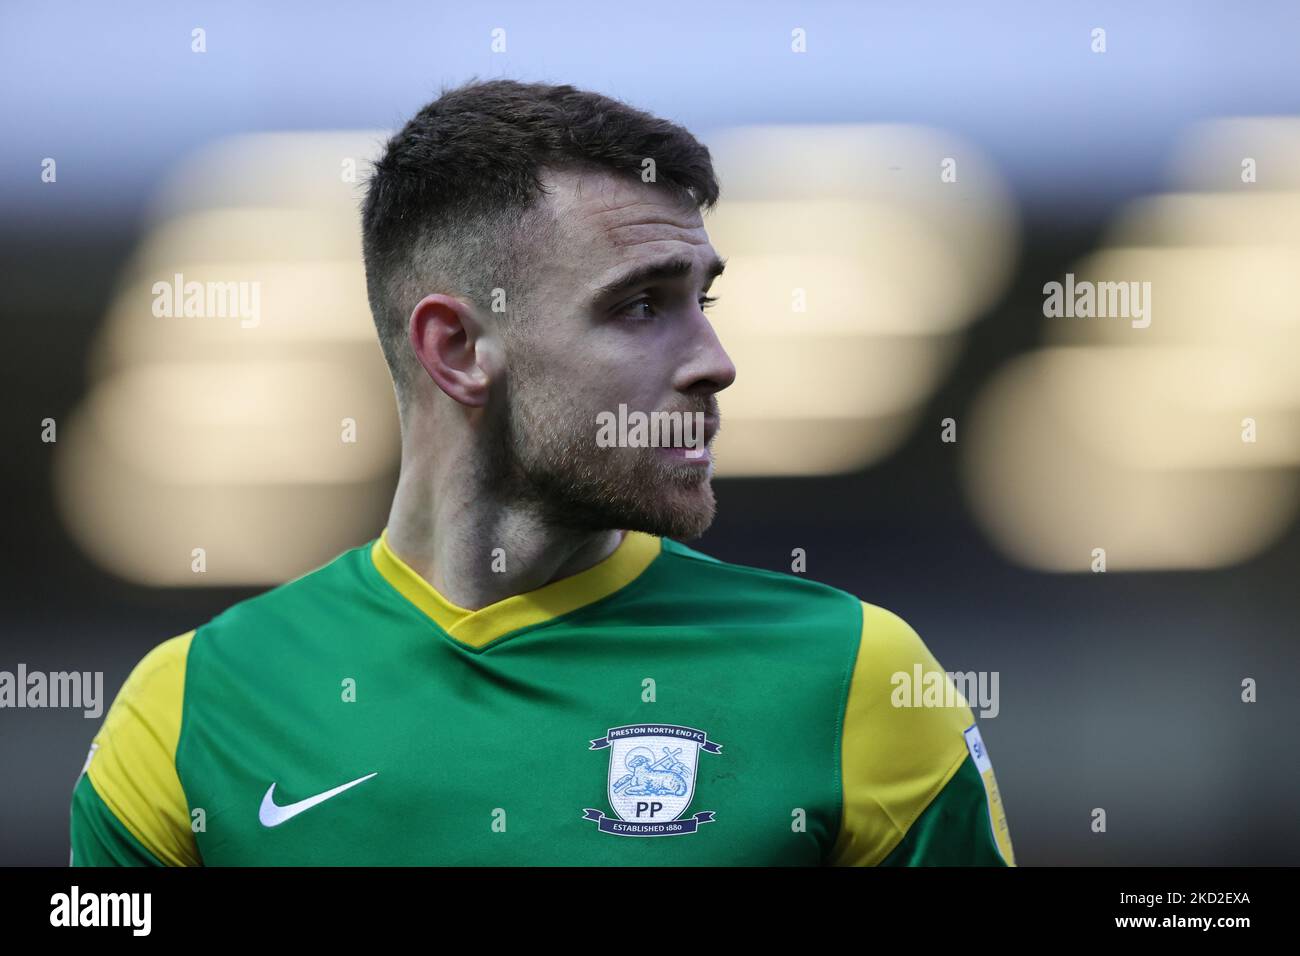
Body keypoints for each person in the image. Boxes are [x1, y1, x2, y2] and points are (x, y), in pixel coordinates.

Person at [70, 77, 1014, 866]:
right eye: (642, 306)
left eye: (702, 297)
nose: (715, 360)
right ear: (457, 349)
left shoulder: (857, 675)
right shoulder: (192, 713)